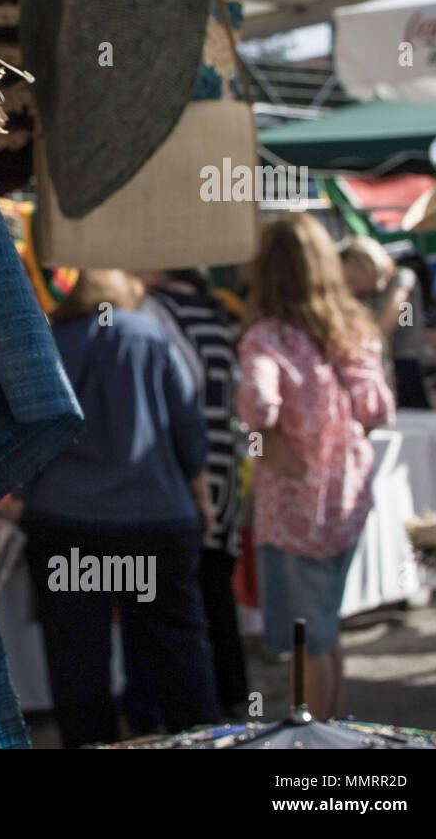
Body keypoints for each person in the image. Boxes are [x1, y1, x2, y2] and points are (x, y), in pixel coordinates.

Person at [15, 269, 221, 747]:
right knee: (178, 650)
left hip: (68, 524)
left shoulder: (51, 338)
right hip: (156, 519)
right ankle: (202, 742)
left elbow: (31, 427)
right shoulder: (149, 332)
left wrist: (19, 500)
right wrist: (202, 497)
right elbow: (189, 424)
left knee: (77, 659)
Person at [238, 214, 394, 721]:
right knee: (327, 628)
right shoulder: (354, 331)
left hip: (293, 511)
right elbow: (378, 410)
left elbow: (257, 408)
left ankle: (314, 740)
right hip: (347, 502)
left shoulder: (267, 338)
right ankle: (337, 728)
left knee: (309, 639)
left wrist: (268, 437)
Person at [139, 268, 249, 717]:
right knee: (214, 586)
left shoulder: (158, 310)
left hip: (188, 472)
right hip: (220, 464)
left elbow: (181, 400)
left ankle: (203, 712)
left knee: (187, 602)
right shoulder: (216, 309)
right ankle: (231, 696)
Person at [340, 234, 428, 409]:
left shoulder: (403, 280)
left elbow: (390, 322)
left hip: (402, 363)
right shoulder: (366, 293)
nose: (352, 287)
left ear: (365, 265)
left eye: (352, 281)